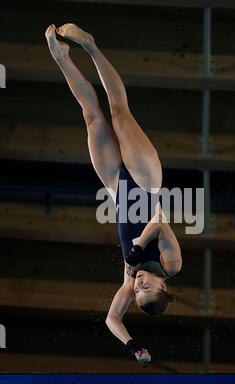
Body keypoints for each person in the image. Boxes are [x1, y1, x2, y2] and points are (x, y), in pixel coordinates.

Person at [45, 23, 182, 364]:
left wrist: (132, 345)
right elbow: (161, 224)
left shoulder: (129, 279)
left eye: (136, 292)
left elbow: (112, 319)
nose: (137, 285)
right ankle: (91, 46)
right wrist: (137, 247)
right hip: (146, 180)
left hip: (117, 187)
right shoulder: (172, 265)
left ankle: (62, 58)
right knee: (119, 111)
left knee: (91, 117)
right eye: (145, 287)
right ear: (163, 287)